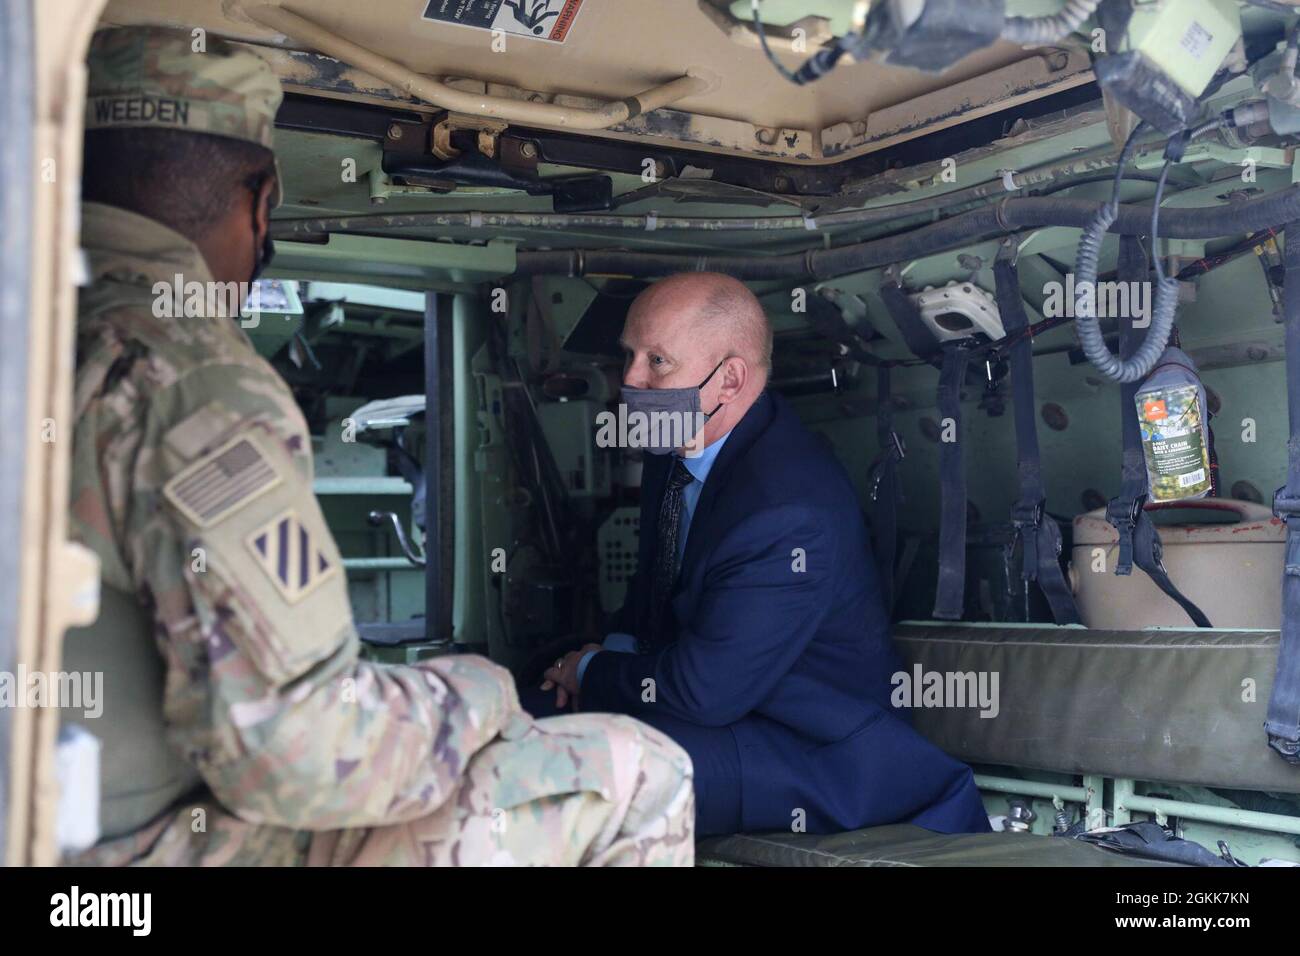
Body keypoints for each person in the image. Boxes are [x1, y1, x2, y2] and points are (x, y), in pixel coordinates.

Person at [61, 25, 694, 866]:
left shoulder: (37, 341)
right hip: (137, 859)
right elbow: (298, 755)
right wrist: (478, 691)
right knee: (640, 770)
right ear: (260, 203)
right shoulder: (191, 379)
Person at [537, 273, 990, 837]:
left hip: (808, 749)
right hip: (720, 714)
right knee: (524, 723)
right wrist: (602, 658)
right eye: (629, 355)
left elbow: (708, 691)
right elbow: (651, 594)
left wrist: (592, 671)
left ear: (729, 379)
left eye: (658, 361)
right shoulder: (677, 445)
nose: (629, 378)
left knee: (580, 780)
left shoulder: (784, 508)